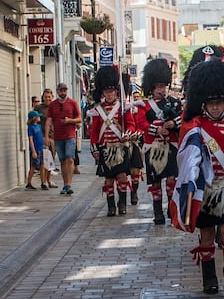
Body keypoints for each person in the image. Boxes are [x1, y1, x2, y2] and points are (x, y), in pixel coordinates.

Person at [175, 58, 224, 294]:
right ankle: (209, 279)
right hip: (206, 189)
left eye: (219, 103)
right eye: (211, 104)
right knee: (207, 235)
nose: (215, 108)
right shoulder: (195, 129)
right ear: (204, 104)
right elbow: (185, 158)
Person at [86, 66, 146, 215]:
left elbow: (131, 124)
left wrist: (128, 132)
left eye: (112, 91)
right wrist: (94, 148)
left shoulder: (122, 108)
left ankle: (122, 204)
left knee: (122, 177)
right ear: (103, 93)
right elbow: (94, 132)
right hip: (106, 149)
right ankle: (111, 206)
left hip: (120, 147)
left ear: (117, 92)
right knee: (108, 180)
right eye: (107, 91)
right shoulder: (97, 110)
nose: (109, 94)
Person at [139, 59, 181, 222]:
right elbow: (141, 123)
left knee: (172, 179)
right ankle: (158, 213)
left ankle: (171, 210)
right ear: (151, 87)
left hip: (170, 145)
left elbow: (182, 118)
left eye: (162, 86)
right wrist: (157, 129)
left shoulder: (173, 102)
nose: (160, 90)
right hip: (153, 147)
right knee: (155, 182)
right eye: (157, 87)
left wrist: (173, 123)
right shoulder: (145, 105)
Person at [48, 82, 82, 194]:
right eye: (61, 90)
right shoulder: (53, 105)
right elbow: (49, 120)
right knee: (62, 160)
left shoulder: (73, 103)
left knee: (70, 158)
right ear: (57, 91)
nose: (63, 92)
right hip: (58, 136)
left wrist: (69, 121)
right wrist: (46, 136)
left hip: (70, 135)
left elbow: (79, 119)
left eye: (64, 90)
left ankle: (69, 184)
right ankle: (65, 184)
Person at [25, 101, 51, 189]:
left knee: (42, 165)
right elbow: (31, 140)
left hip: (41, 148)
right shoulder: (31, 128)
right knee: (33, 166)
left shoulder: (39, 126)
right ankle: (29, 182)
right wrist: (33, 151)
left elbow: (41, 137)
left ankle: (43, 182)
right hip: (35, 149)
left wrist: (44, 144)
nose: (40, 117)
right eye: (38, 116)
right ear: (34, 118)